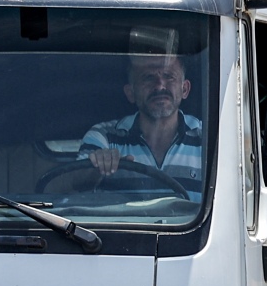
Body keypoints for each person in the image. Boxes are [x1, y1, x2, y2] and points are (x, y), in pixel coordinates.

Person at [77, 28, 204, 189]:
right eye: (148, 77)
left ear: (185, 89)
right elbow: (76, 183)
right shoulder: (105, 137)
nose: (159, 85)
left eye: (168, 76)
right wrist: (98, 166)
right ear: (131, 93)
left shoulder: (207, 139)